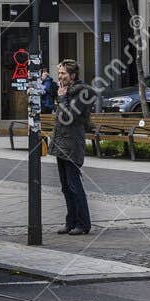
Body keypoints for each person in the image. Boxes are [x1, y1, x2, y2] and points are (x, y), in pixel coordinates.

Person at [50, 59, 93, 236]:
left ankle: (83, 224)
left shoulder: (84, 92)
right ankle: (71, 222)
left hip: (72, 143)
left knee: (74, 185)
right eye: (59, 73)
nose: (60, 76)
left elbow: (70, 116)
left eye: (63, 73)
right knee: (66, 186)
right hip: (61, 143)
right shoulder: (65, 91)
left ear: (73, 75)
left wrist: (61, 98)